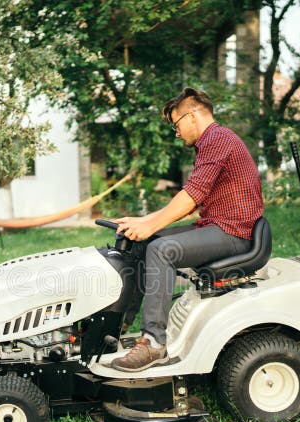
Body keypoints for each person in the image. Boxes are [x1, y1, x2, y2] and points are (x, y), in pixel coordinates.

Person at [110, 87, 264, 372]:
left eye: (176, 124)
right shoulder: (210, 143)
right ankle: (115, 329)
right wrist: (143, 224)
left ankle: (154, 344)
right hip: (217, 226)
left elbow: (192, 195)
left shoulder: (217, 139)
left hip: (234, 233)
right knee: (141, 243)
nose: (176, 132)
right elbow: (193, 200)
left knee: (160, 249)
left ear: (192, 115)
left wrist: (149, 225)